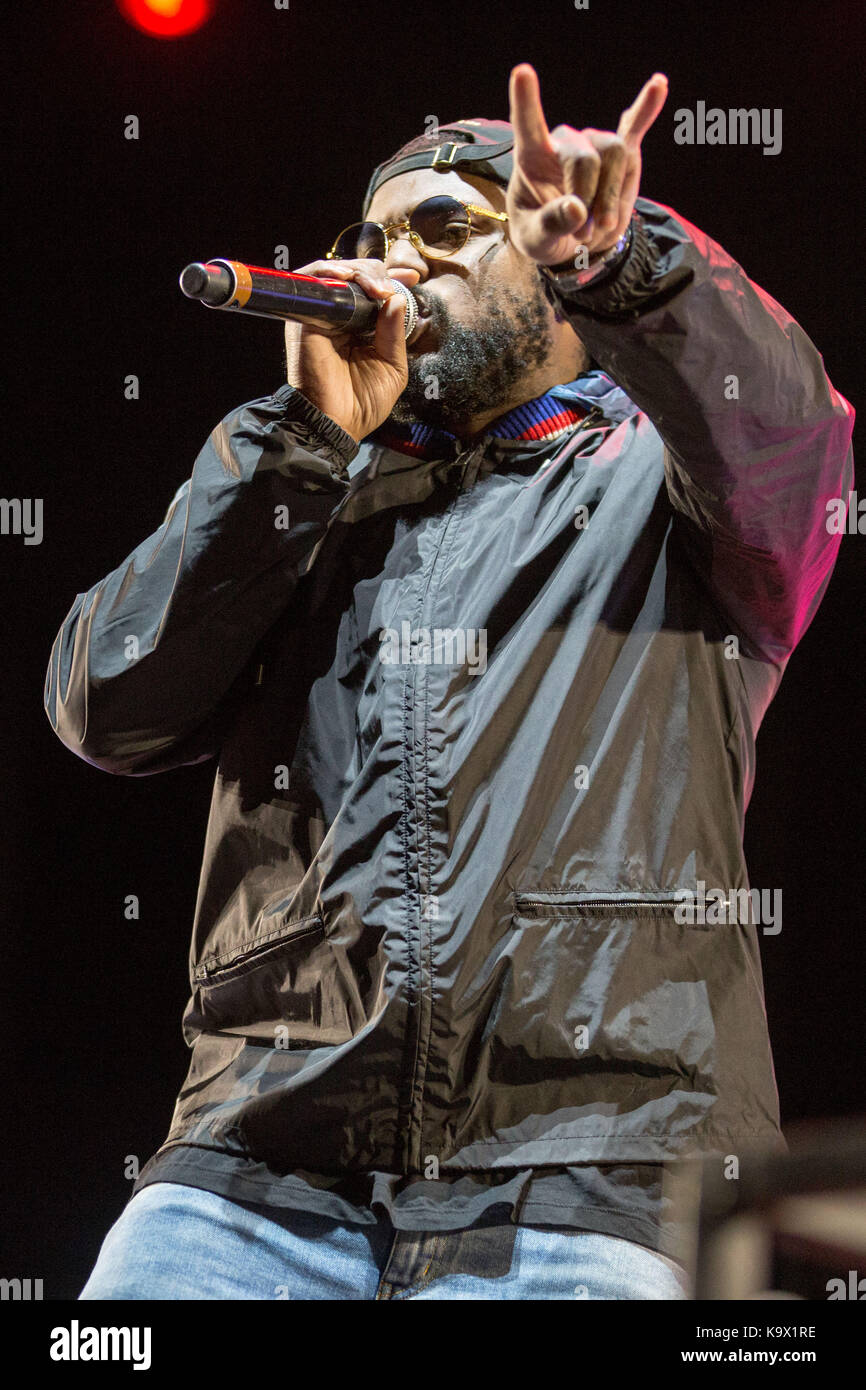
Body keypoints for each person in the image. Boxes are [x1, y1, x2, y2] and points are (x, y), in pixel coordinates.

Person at [45, 64, 854, 1300]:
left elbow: (785, 422)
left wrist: (621, 256)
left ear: (551, 268)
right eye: (368, 239)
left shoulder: (662, 484)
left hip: (593, 1171)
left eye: (445, 228)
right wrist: (303, 445)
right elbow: (105, 704)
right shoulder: (295, 490)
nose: (394, 263)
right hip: (254, 1172)